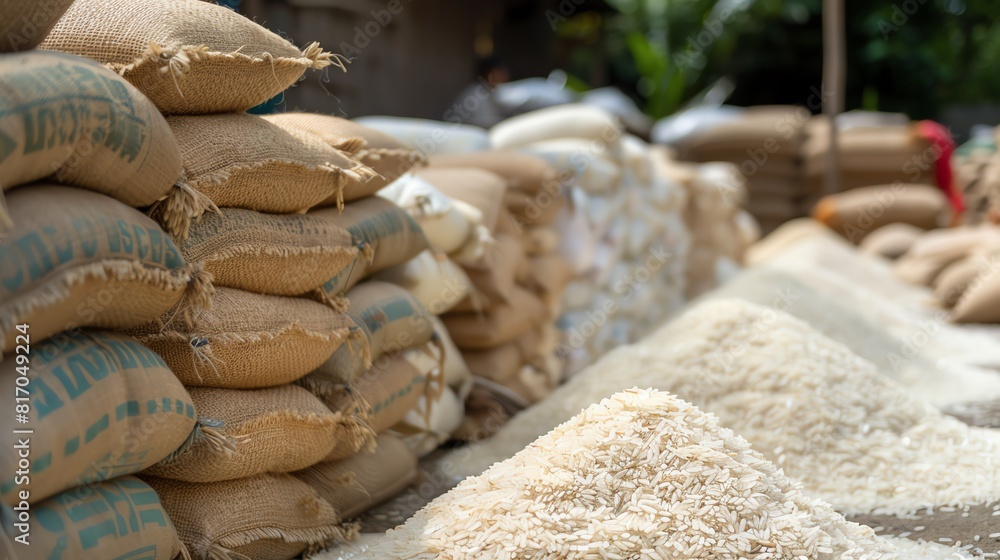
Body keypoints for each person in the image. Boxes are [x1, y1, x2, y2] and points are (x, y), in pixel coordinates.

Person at [449, 56, 511, 128]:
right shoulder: (475, 94)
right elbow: (486, 124)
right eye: (501, 71)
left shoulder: (489, 91)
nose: (506, 75)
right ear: (489, 73)